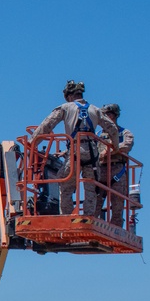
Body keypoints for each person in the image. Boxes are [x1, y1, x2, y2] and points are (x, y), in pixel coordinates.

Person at [29, 80, 120, 216]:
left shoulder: (65, 108)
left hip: (75, 151)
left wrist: (33, 142)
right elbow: (112, 128)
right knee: (90, 185)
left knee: (65, 183)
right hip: (92, 153)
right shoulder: (95, 110)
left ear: (69, 96)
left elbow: (47, 126)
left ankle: (66, 215)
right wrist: (115, 146)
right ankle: (88, 216)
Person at [94, 103, 134, 227]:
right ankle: (94, 226)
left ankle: (116, 229)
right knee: (95, 203)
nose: (105, 117)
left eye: (108, 114)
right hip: (101, 171)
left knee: (117, 204)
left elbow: (127, 145)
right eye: (103, 115)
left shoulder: (124, 133)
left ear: (115, 115)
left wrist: (110, 151)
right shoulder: (99, 134)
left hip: (117, 171)